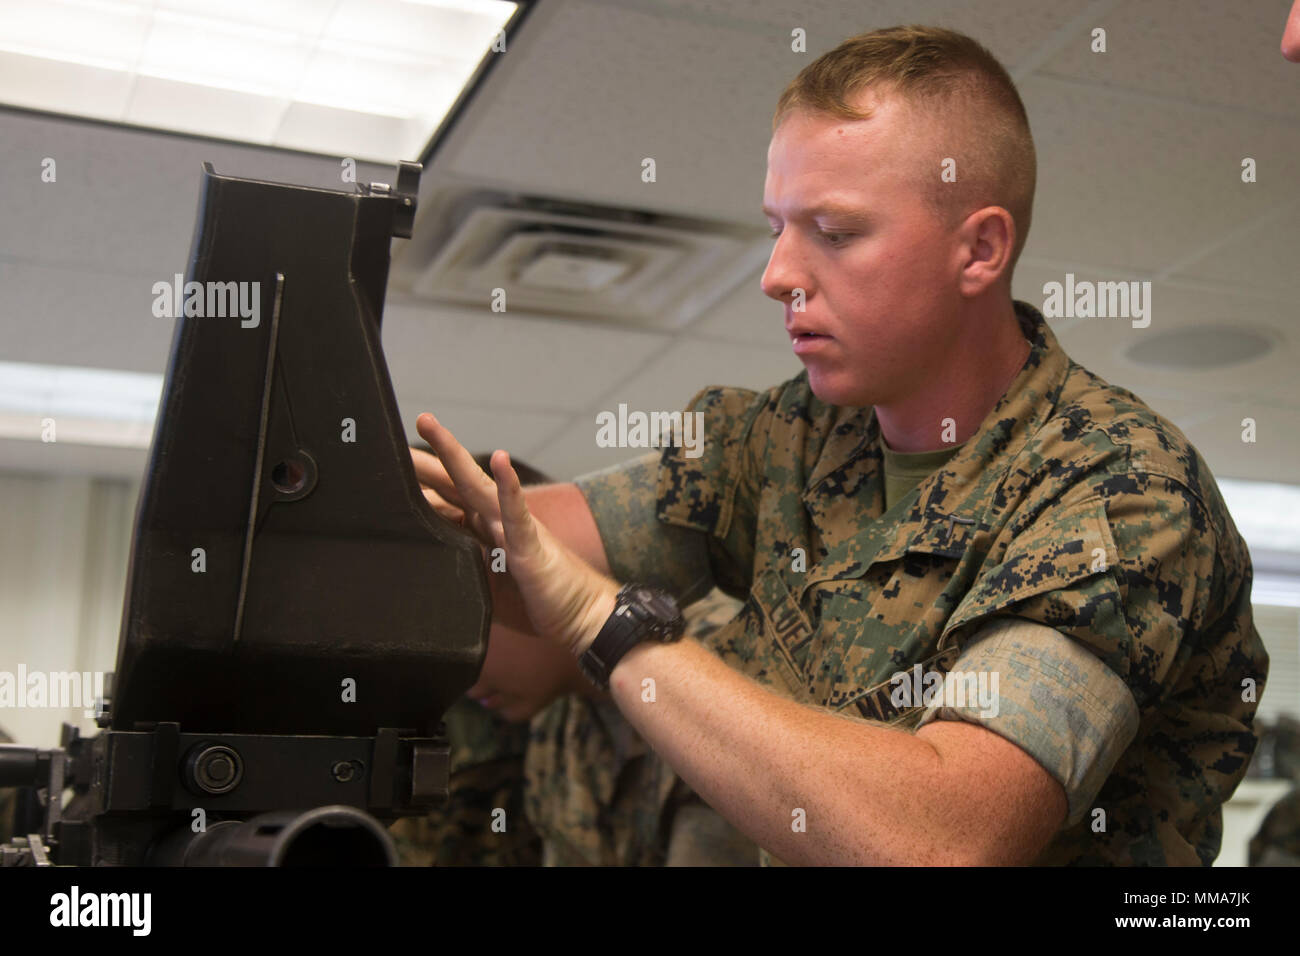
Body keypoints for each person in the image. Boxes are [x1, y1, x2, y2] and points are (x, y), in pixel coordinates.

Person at [413, 25, 1268, 866]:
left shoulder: (1123, 491)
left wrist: (609, 627)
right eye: (778, 226)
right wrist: (366, 511)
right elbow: (516, 548)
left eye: (835, 231)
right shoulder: (780, 438)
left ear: (979, 249)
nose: (777, 274)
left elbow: (942, 840)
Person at [391, 455, 757, 865]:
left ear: (522, 580)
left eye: (456, 629)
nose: (456, 675)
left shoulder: (722, 668)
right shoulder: (559, 723)